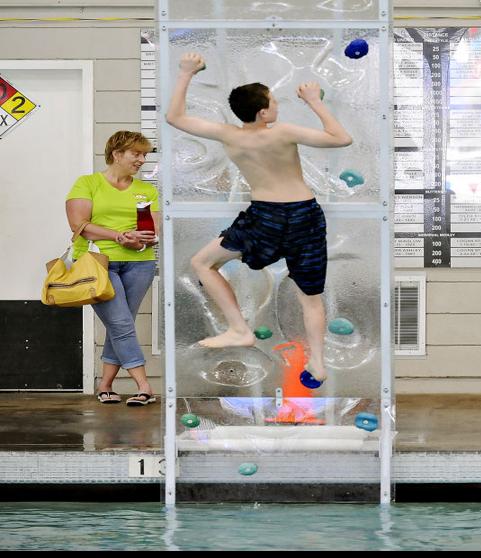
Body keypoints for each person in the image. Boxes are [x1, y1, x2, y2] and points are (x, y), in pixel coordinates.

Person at [164, 51, 352, 387]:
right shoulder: (282, 132)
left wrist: (186, 72)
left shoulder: (230, 135)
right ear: (263, 112)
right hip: (304, 215)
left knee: (203, 263)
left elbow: (174, 117)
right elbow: (341, 138)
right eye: (273, 101)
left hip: (265, 217)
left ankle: (238, 328)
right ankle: (318, 363)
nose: (277, 105)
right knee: (310, 298)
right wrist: (314, 101)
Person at [64, 130, 161, 406]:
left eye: (144, 155)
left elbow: (153, 230)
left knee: (121, 323)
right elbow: (79, 225)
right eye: (136, 154)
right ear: (117, 154)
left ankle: (105, 386)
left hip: (140, 263)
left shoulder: (147, 190)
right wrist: (118, 236)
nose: (141, 160)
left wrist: (139, 240)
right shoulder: (88, 183)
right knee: (120, 323)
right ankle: (144, 385)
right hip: (97, 263)